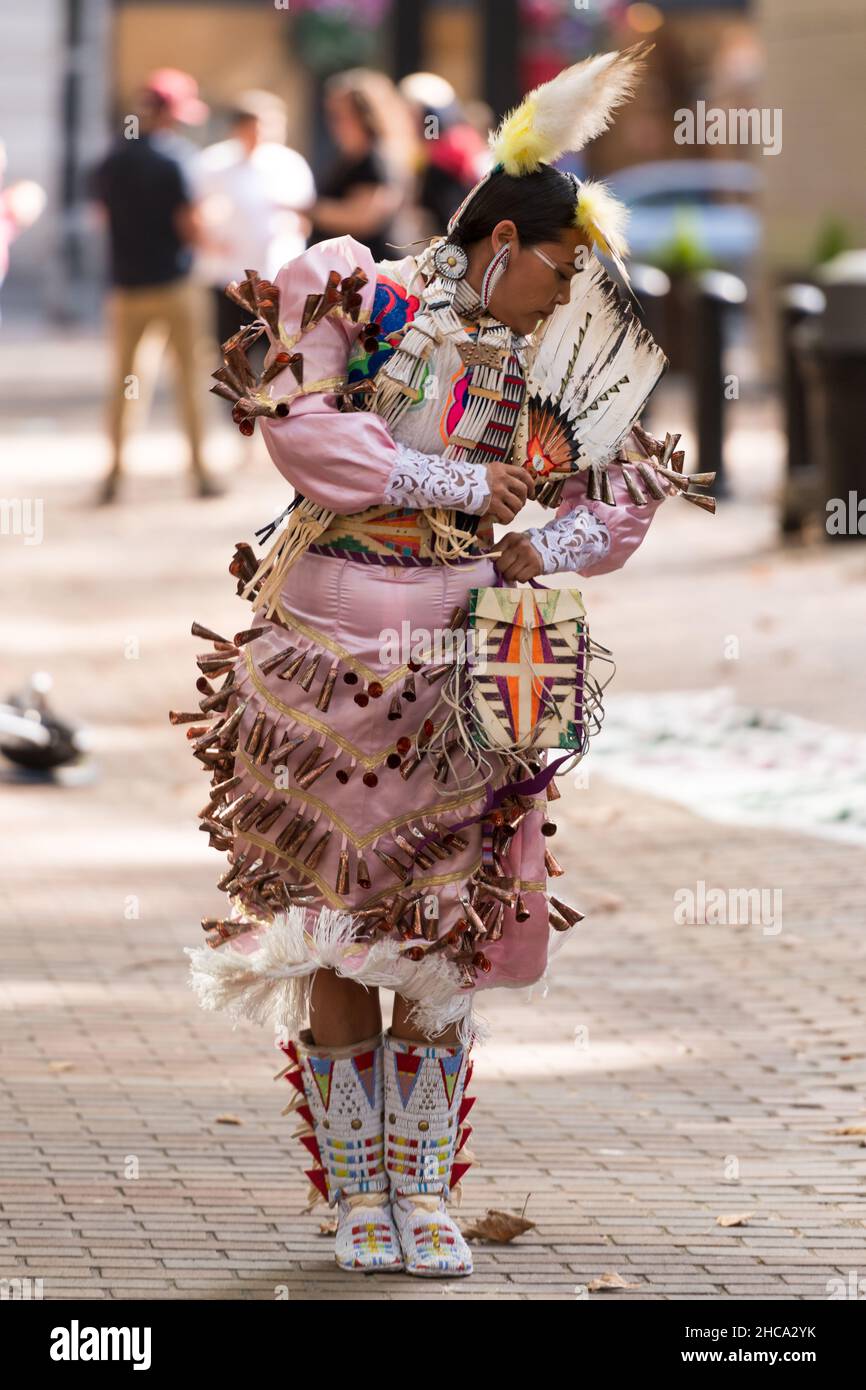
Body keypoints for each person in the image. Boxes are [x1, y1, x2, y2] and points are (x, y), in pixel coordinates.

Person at [178, 46, 691, 1278]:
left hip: (461, 670)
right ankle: (357, 1197)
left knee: (441, 932)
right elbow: (306, 443)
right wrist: (461, 480)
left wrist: (530, 551)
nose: (565, 296)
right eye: (558, 270)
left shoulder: (548, 364)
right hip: (332, 649)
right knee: (337, 927)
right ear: (503, 241)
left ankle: (422, 1189)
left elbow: (622, 498)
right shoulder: (357, 295)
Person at [91, 68, 220, 502]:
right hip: (174, 285)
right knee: (190, 379)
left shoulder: (113, 158)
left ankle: (115, 472)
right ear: (171, 113)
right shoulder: (176, 159)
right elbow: (189, 225)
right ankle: (201, 471)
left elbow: (101, 217)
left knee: (127, 382)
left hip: (127, 287)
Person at [196, 90, 315, 355]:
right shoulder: (214, 163)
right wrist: (209, 240)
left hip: (278, 277)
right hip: (232, 277)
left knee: (282, 354)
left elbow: (305, 215)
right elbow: (197, 210)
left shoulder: (290, 164)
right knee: (235, 356)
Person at [308, 68, 413, 263]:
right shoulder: (344, 157)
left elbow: (363, 218)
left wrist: (307, 211)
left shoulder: (377, 158)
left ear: (364, 115)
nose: (334, 124)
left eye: (340, 115)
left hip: (370, 271)